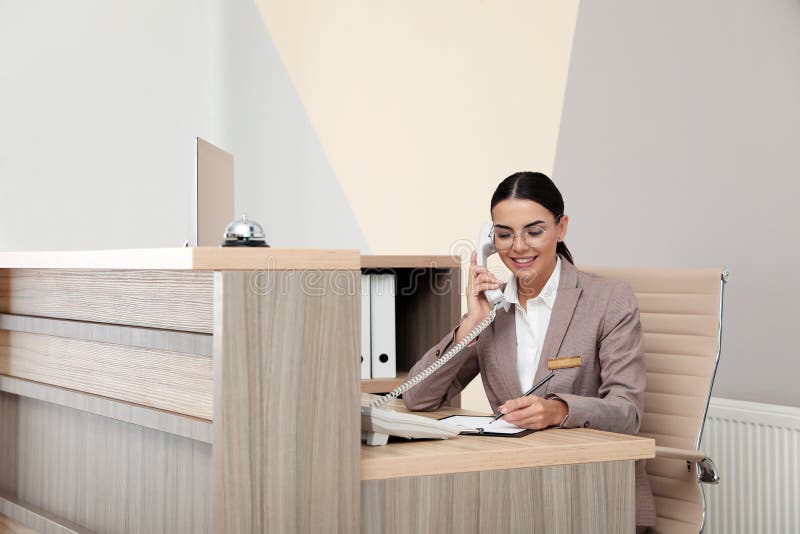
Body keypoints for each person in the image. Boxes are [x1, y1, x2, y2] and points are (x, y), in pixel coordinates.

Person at [402, 171, 656, 530]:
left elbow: (627, 413)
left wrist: (557, 410)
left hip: (596, 493)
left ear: (561, 227)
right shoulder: (493, 311)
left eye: (534, 231)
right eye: (504, 235)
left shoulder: (608, 300)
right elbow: (417, 397)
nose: (518, 247)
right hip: (515, 492)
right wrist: (470, 325)